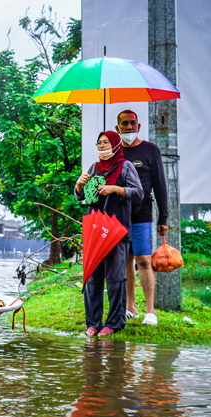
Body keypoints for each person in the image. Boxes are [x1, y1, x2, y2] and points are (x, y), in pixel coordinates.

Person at [75, 131, 143, 336]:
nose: (102, 146)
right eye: (99, 143)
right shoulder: (94, 168)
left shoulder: (125, 166)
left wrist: (116, 189)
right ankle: (93, 322)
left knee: (115, 277)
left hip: (116, 230)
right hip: (94, 229)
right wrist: (79, 186)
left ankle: (114, 322)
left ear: (115, 144)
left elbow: (139, 193)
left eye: (106, 142)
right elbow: (82, 197)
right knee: (92, 276)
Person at [116, 110, 168, 326]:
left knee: (144, 260)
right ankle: (130, 307)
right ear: (118, 128)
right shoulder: (114, 152)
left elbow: (160, 184)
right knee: (125, 261)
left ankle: (150, 311)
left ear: (138, 126)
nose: (129, 127)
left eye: (132, 123)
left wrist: (163, 217)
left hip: (142, 213)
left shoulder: (150, 150)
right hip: (118, 214)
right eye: (124, 124)